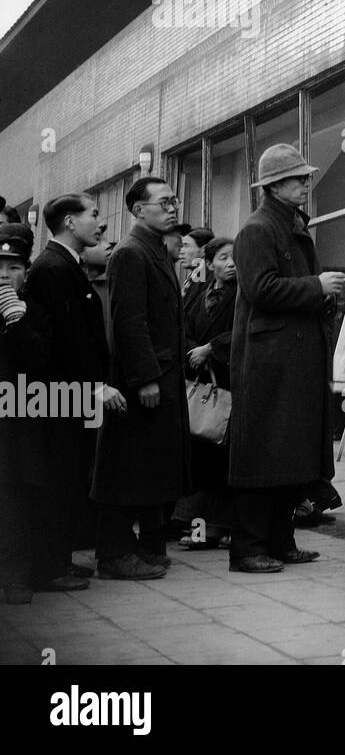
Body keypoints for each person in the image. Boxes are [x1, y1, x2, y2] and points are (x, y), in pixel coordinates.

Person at [228, 145, 345, 573]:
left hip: (289, 361)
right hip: (269, 364)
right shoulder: (259, 230)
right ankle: (248, 548)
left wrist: (320, 297)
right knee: (263, 456)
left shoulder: (289, 227)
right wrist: (317, 287)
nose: (306, 184)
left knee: (287, 457)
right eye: (298, 179)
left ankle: (279, 542)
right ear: (275, 185)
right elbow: (261, 289)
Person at [91, 177, 191, 581]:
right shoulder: (132, 253)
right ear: (138, 210)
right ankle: (114, 554)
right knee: (126, 467)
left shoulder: (155, 251)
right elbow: (128, 322)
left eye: (174, 201)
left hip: (162, 373)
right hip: (142, 380)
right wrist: (146, 378)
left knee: (150, 465)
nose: (173, 208)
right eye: (164, 202)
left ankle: (139, 549)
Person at [23, 195, 114, 589]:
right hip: (63, 397)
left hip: (72, 395)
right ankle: (47, 568)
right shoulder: (54, 268)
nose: (100, 223)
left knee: (71, 478)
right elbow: (68, 341)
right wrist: (95, 387)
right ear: (69, 222)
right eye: (93, 214)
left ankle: (58, 559)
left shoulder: (66, 265)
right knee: (58, 479)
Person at [175, 237, 238, 550]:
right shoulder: (199, 293)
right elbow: (182, 328)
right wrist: (192, 351)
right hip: (201, 382)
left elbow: (244, 330)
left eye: (235, 258)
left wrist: (211, 349)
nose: (231, 264)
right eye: (224, 258)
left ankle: (227, 528)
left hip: (229, 385)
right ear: (210, 263)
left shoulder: (244, 294)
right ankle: (201, 531)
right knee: (202, 462)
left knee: (225, 462)